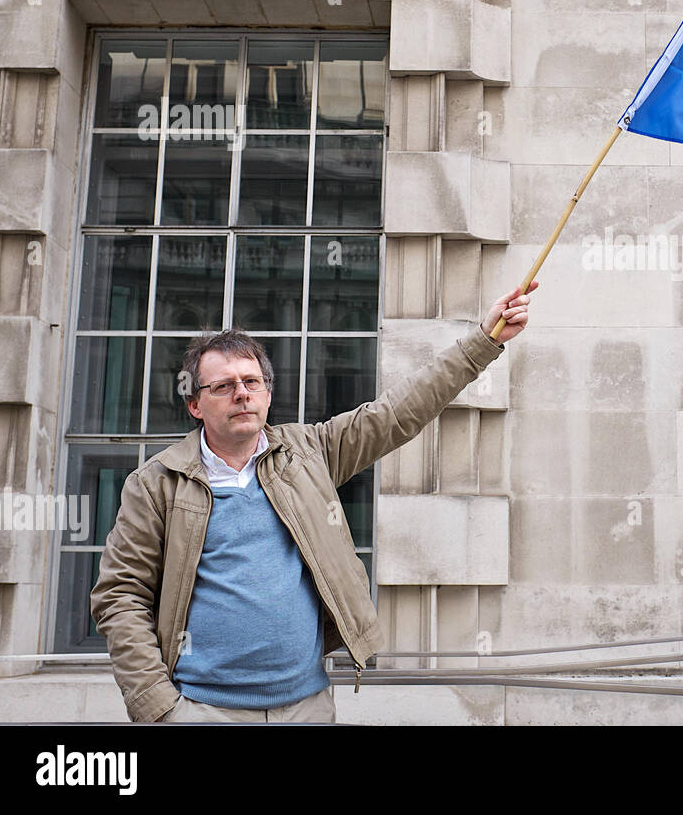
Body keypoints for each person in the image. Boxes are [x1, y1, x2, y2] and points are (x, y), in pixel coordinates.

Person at [90, 282, 537, 724]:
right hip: (204, 710)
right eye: (224, 386)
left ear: (267, 393)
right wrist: (158, 708)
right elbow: (120, 596)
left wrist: (484, 339)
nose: (242, 393)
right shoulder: (156, 484)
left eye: (251, 382)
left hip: (306, 707)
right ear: (195, 404)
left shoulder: (309, 454)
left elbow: (398, 412)